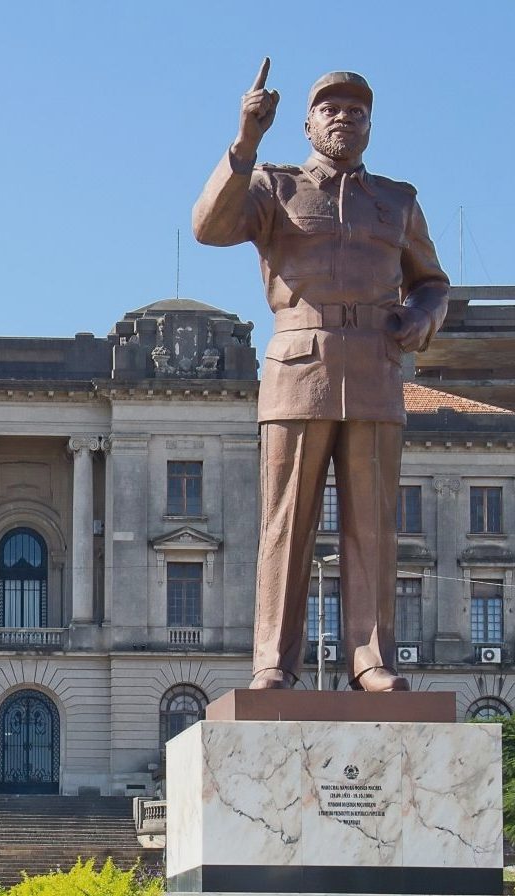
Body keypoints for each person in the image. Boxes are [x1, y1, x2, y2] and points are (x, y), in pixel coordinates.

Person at [192, 61, 449, 691]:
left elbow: (432, 280)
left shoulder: (397, 200)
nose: (344, 117)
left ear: (370, 126)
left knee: (373, 525)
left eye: (357, 109)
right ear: (307, 123)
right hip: (298, 362)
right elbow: (209, 227)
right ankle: (274, 661)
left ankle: (371, 659)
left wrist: (423, 312)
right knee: (287, 522)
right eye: (330, 108)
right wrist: (245, 142)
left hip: (374, 365)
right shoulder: (274, 186)